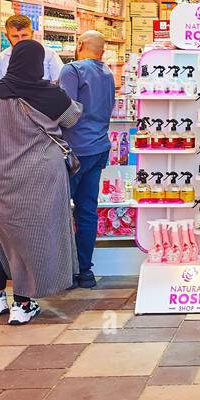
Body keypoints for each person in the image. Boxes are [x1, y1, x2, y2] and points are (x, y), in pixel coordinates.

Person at [0, 40, 82, 324]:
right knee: (34, 235)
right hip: (41, 177)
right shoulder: (51, 95)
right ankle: (24, 302)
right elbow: (72, 119)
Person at [58, 31, 115, 290]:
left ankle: (61, 270)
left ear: (79, 45)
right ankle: (85, 270)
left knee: (58, 211)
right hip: (98, 147)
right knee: (87, 210)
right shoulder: (107, 73)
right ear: (102, 51)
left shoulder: (72, 71)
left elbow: (65, 111)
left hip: (73, 150)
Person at [0, 15, 63, 82]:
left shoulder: (49, 55)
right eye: (15, 36)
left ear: (32, 34)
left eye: (24, 35)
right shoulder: (0, 60)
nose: (20, 40)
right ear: (7, 37)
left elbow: (61, 82)